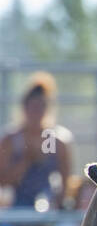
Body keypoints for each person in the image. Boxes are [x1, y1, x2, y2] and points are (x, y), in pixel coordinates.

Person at [0, 74, 74, 218]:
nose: (36, 113)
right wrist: (26, 161)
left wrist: (58, 203)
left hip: (49, 205)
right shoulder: (11, 139)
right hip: (16, 205)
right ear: (25, 108)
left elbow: (65, 182)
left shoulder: (55, 139)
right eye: (33, 107)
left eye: (41, 107)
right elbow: (3, 181)